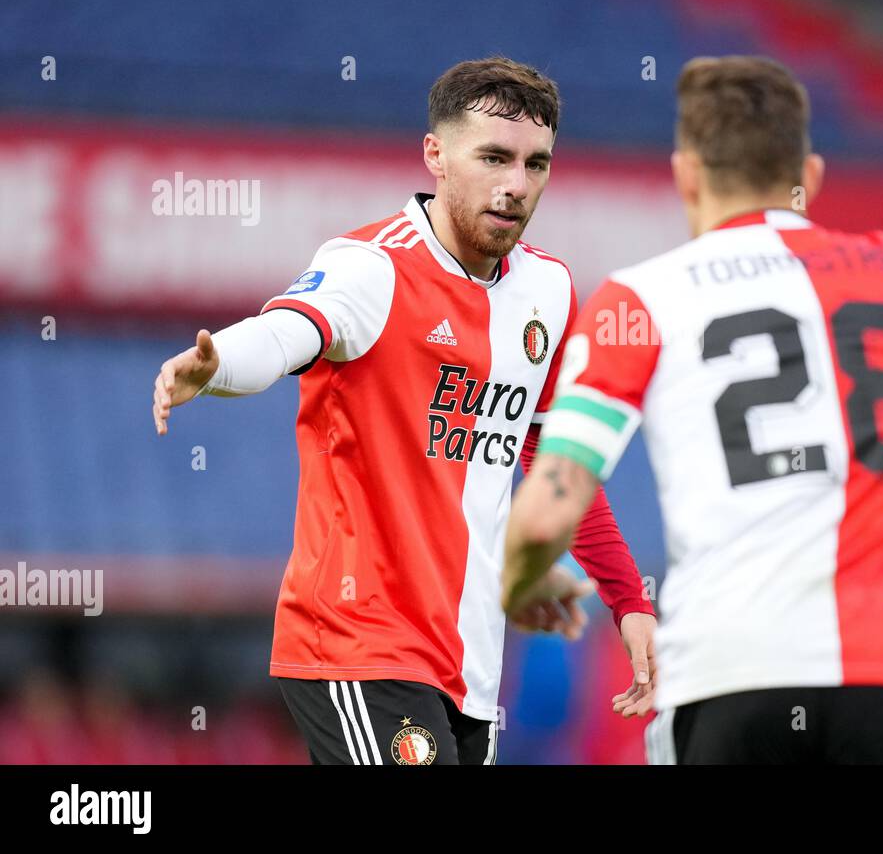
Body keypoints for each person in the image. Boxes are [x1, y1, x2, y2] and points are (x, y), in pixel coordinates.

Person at [501, 55, 883, 764]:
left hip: (731, 671)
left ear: (686, 175)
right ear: (809, 176)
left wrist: (518, 584)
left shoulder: (640, 300)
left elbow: (548, 510)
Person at [152, 57, 657, 765]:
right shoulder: (371, 266)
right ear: (436, 155)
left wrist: (628, 601)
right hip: (358, 640)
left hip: (470, 664)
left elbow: (553, 459)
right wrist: (217, 365)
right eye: (494, 158)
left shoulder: (548, 288)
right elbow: (286, 331)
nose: (516, 184)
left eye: (535, 163)